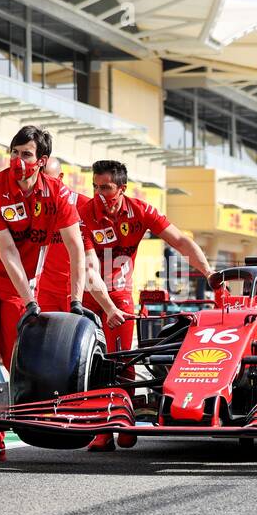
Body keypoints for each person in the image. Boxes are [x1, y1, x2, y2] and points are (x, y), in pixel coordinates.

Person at [0, 125, 87, 462]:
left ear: (42, 161)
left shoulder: (59, 194)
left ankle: (36, 420)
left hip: (16, 285)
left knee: (19, 357)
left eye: (26, 154)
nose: (18, 160)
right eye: (14, 153)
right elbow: (7, 251)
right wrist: (31, 300)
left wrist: (76, 301)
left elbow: (77, 249)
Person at [78, 159, 217, 449]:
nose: (99, 194)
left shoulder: (140, 210)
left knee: (123, 360)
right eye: (95, 187)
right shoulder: (83, 213)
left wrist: (209, 272)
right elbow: (88, 268)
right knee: (90, 365)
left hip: (120, 295)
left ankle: (125, 422)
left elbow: (180, 241)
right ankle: (102, 430)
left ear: (122, 188)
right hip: (88, 295)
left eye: (106, 188)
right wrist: (107, 307)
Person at [33, 157, 128, 324]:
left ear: (60, 177)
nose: (42, 185)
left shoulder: (84, 206)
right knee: (48, 345)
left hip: (81, 292)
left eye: (47, 177)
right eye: (38, 178)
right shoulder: (32, 207)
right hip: (46, 292)